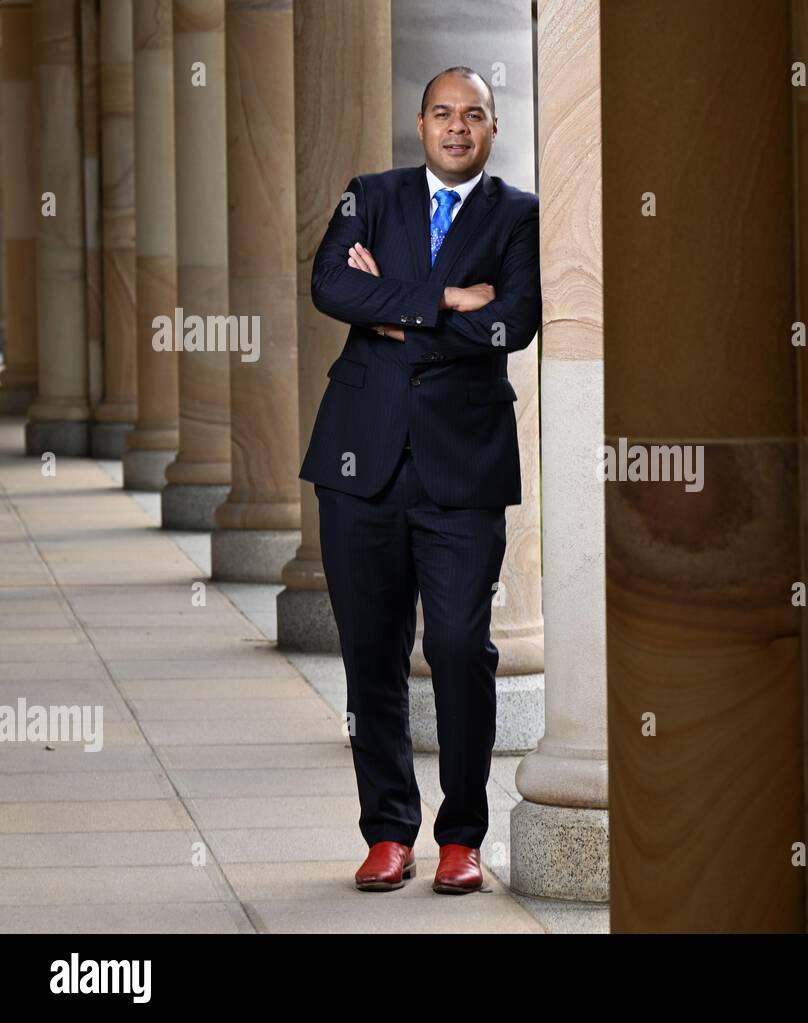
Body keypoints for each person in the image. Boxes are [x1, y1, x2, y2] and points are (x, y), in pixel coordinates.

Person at [299, 65, 541, 895]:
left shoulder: (519, 214)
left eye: (473, 115)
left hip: (462, 471)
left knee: (457, 646)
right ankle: (388, 830)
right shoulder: (370, 193)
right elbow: (330, 283)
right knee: (370, 653)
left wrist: (389, 306)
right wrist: (445, 299)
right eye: (443, 113)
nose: (456, 128)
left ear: (492, 128)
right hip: (357, 463)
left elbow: (514, 320)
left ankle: (461, 836)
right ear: (420, 122)